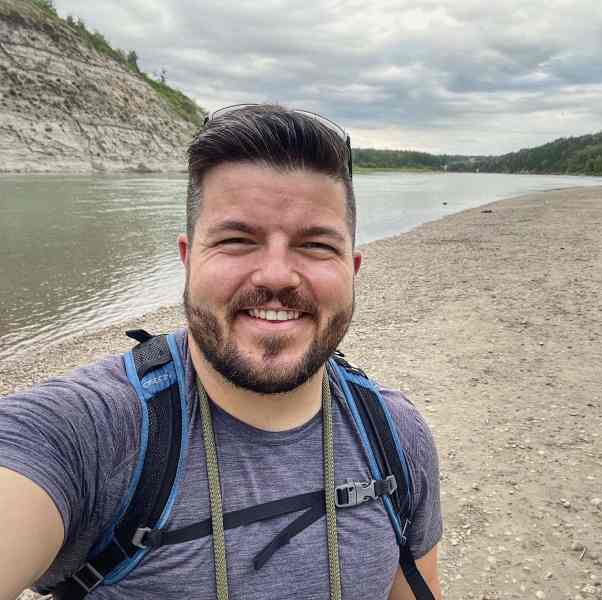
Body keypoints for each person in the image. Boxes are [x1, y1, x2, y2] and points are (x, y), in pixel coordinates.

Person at [0, 104, 443, 599]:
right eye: (237, 240)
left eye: (316, 245)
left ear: (352, 268)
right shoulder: (86, 432)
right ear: (188, 260)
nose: (276, 275)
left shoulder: (396, 436)